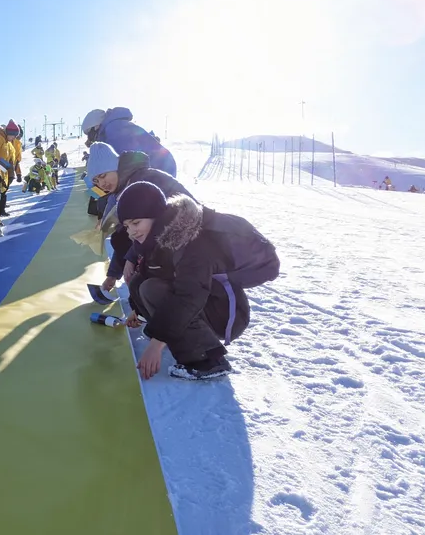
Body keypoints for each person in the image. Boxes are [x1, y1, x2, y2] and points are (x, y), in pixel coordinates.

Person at [117, 181, 278, 380]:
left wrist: (157, 342)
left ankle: (209, 360)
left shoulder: (193, 242)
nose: (131, 231)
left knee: (152, 289)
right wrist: (139, 311)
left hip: (225, 313)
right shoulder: (159, 237)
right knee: (139, 282)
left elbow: (189, 295)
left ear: (156, 215)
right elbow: (157, 275)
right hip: (206, 304)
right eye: (126, 226)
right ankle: (176, 336)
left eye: (136, 223)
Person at [84, 142, 196, 293]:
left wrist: (132, 256)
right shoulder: (122, 189)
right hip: (173, 237)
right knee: (121, 238)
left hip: (192, 236)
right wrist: (113, 274)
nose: (102, 184)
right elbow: (124, 234)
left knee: (146, 286)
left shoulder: (142, 182)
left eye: (103, 176)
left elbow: (162, 222)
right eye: (96, 181)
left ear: (116, 167)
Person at [82, 107, 177, 214]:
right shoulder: (114, 127)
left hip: (158, 170)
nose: (90, 139)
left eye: (89, 134)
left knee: (142, 214)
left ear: (96, 127)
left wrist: (110, 210)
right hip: (159, 168)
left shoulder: (113, 130)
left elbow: (125, 172)